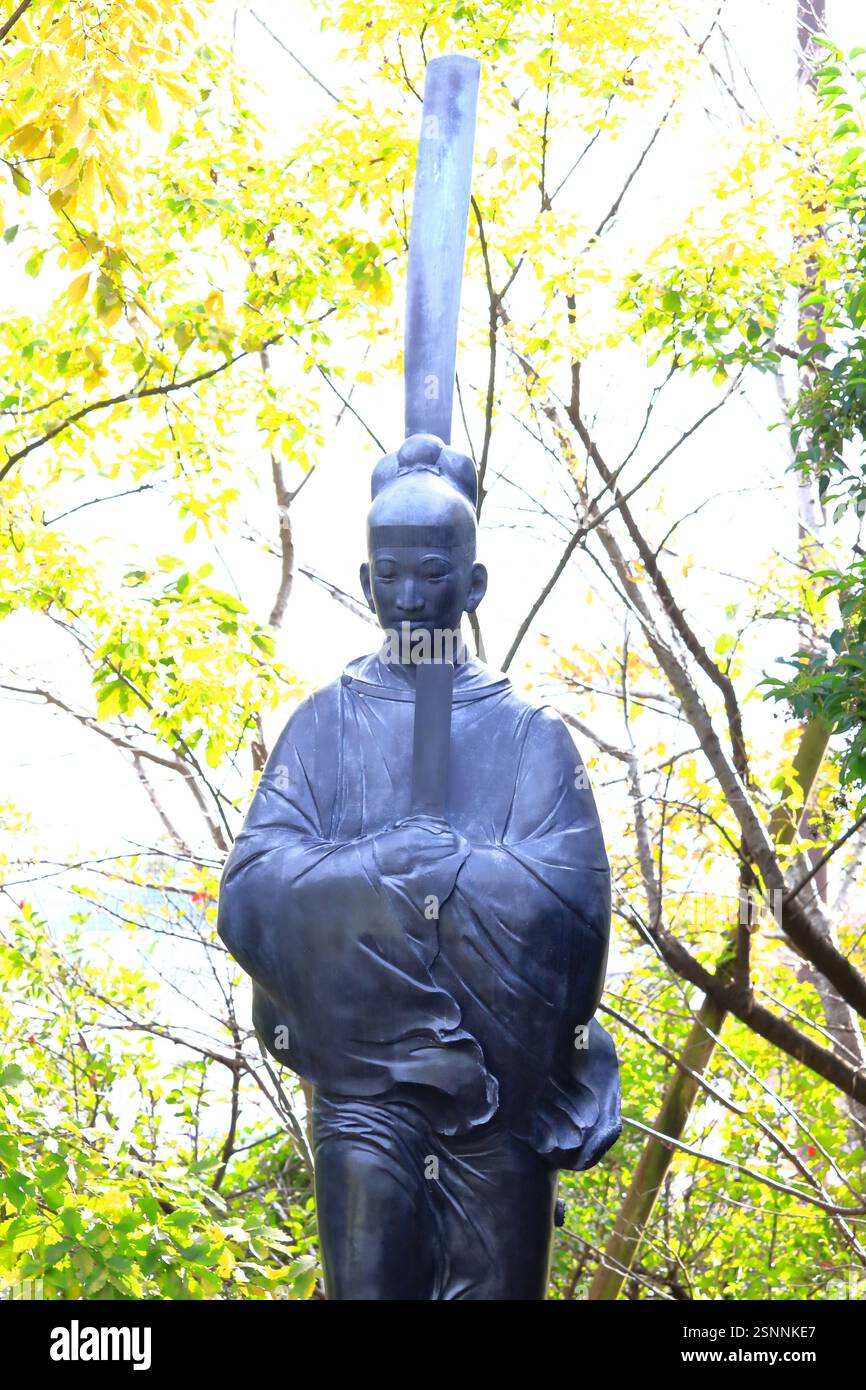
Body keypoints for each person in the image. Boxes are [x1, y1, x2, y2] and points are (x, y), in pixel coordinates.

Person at [218, 432, 621, 1299]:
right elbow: (252, 894)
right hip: (365, 1087)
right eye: (391, 575)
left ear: (474, 585)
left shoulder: (531, 737)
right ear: (366, 583)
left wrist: (454, 872)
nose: (409, 597)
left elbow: (575, 912)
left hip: (502, 1091)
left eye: (432, 573)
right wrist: (380, 867)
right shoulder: (323, 726)